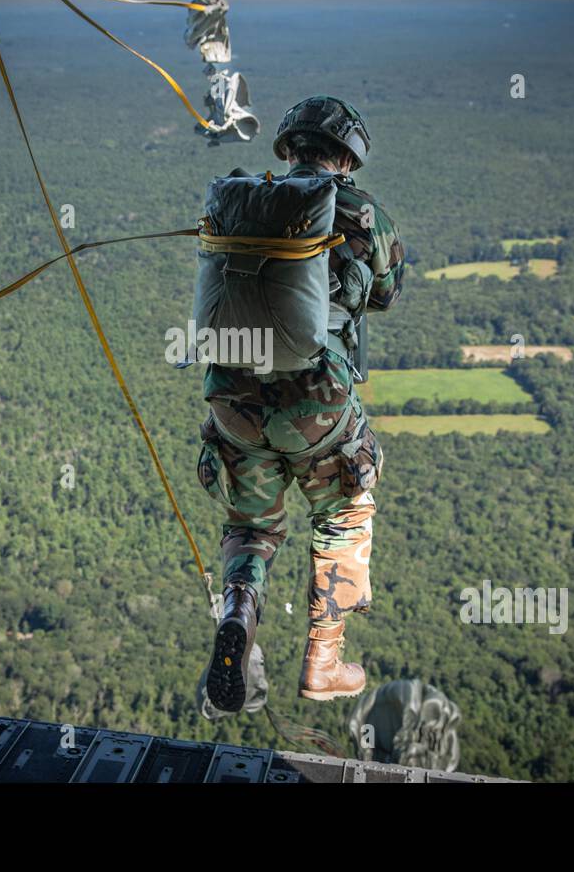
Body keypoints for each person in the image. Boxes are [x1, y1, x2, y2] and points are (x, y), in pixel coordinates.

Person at [199, 96, 405, 712]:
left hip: (233, 399)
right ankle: (323, 663)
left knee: (252, 528)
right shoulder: (363, 211)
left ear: (290, 150)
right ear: (347, 155)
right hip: (316, 402)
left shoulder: (245, 202)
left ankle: (237, 618)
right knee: (343, 513)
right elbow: (387, 295)